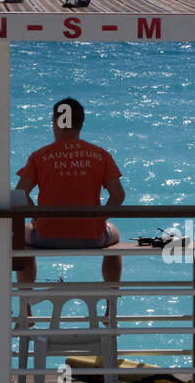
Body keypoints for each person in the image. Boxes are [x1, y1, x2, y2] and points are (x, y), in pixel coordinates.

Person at [14, 97, 125, 284]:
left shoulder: (40, 155)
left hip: (46, 237)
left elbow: (20, 193)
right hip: (92, 236)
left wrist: (36, 217)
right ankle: (111, 300)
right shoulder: (100, 154)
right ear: (81, 124)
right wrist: (99, 219)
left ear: (57, 123)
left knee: (22, 239)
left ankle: (27, 305)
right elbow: (118, 196)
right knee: (115, 236)